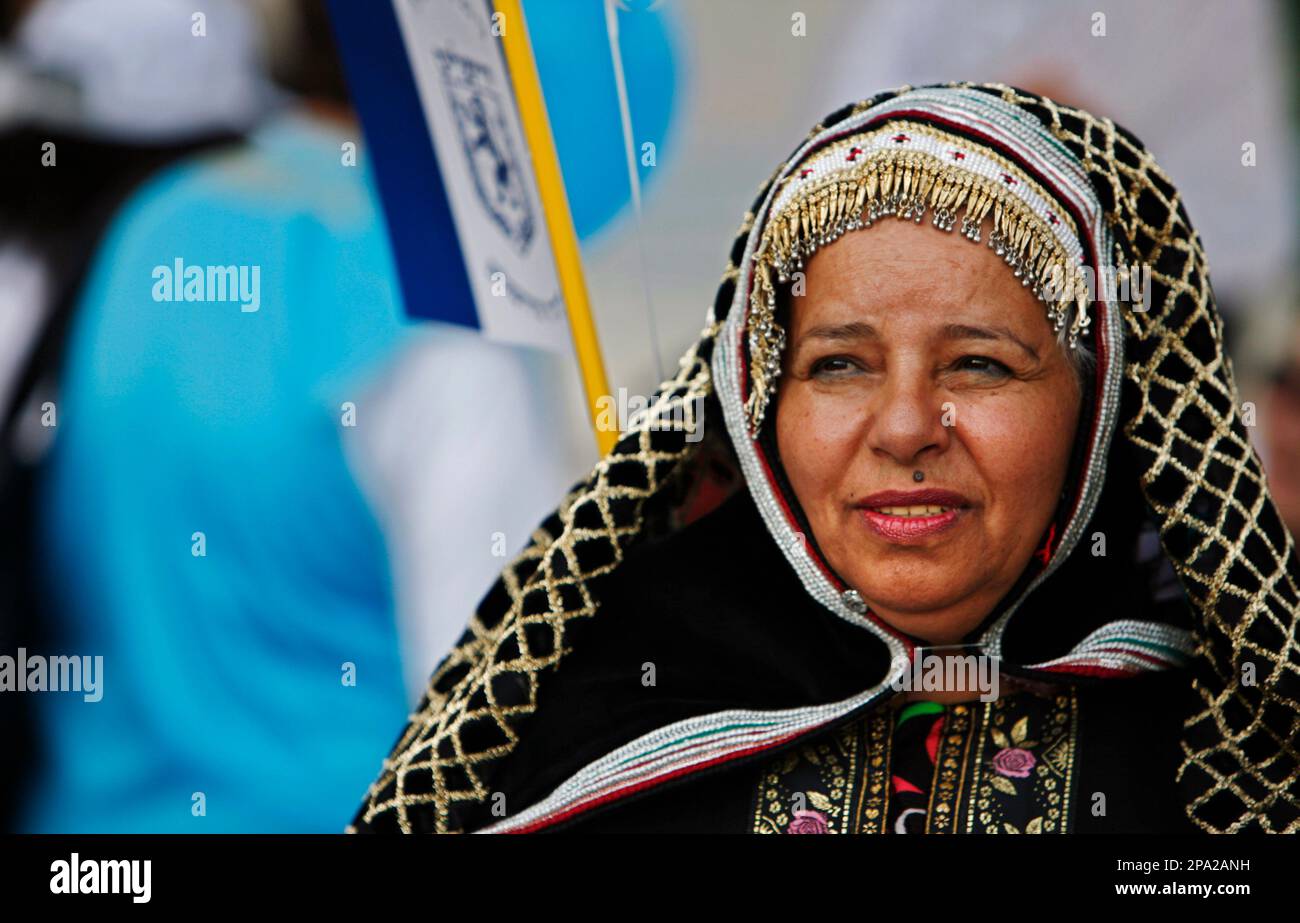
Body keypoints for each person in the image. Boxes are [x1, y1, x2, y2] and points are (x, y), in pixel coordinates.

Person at [349, 84, 1300, 834]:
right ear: (762, 411)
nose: (904, 427)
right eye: (838, 364)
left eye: (980, 362)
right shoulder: (593, 733)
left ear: (1098, 410)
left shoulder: (1238, 756)